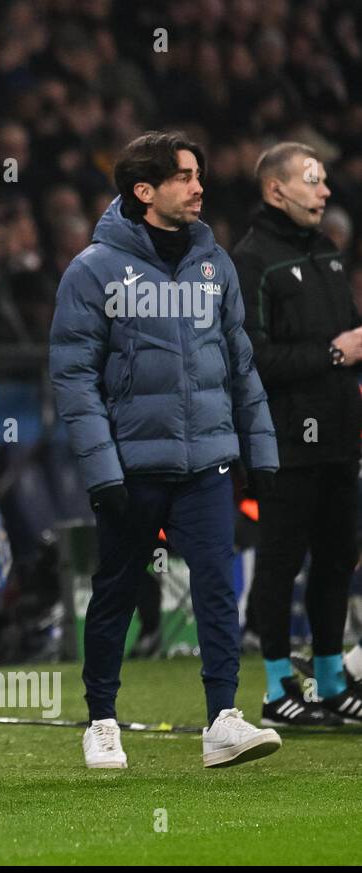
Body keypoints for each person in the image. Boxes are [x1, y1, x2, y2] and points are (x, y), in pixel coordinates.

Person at [50, 131, 282, 770]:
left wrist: (261, 456)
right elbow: (73, 375)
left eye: (198, 174)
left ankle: (223, 721)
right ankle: (101, 720)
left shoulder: (216, 265)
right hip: (130, 466)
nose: (199, 185)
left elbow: (241, 367)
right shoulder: (95, 269)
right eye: (184, 176)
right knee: (116, 591)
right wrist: (103, 471)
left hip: (207, 462)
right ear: (144, 191)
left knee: (215, 584)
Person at [232, 141, 362, 726]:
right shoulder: (252, 261)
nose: (325, 191)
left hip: (339, 436)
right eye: (312, 181)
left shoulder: (329, 252)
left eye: (325, 180)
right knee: (280, 562)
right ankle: (277, 687)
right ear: (275, 190)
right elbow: (252, 357)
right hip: (283, 439)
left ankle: (332, 680)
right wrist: (334, 355)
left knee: (337, 559)